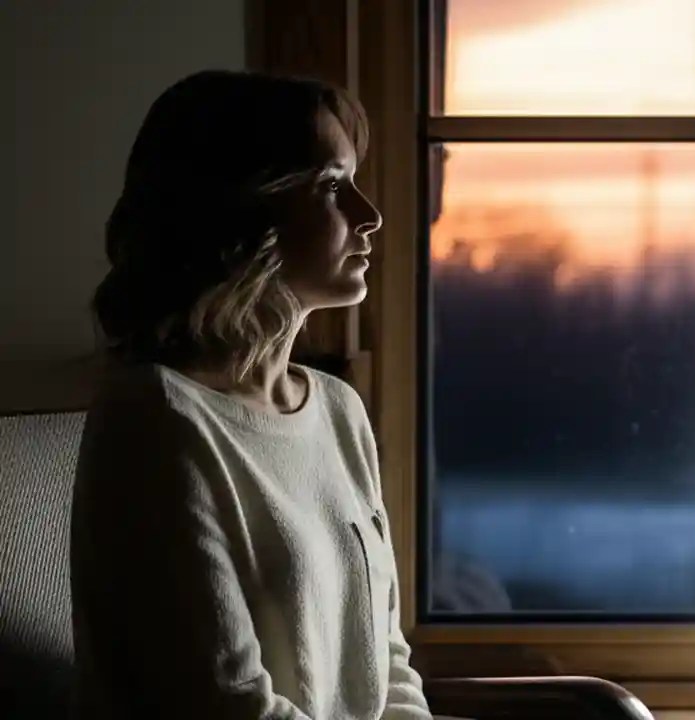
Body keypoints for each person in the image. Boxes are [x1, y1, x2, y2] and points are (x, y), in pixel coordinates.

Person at [70, 70, 432, 718]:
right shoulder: (156, 418)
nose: (369, 215)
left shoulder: (337, 411)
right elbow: (224, 704)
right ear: (240, 211)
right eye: (330, 186)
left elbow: (388, 668)